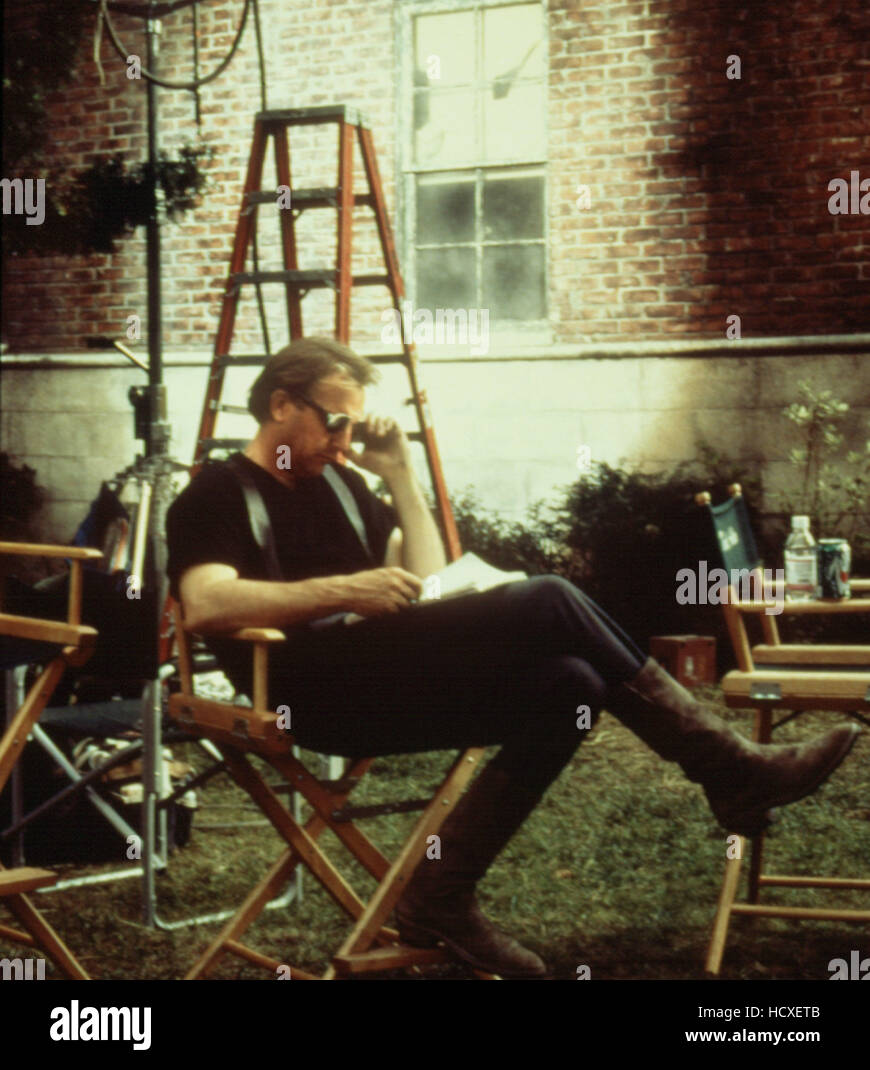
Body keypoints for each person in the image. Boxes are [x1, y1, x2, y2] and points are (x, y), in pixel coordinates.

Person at [166, 337, 860, 980]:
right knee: (550, 596)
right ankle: (729, 768)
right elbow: (205, 603)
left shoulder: (343, 487)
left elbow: (427, 580)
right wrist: (346, 590)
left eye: (353, 425)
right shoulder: (217, 493)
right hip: (307, 692)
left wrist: (401, 477)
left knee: (572, 685)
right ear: (281, 405)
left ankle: (441, 895)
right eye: (334, 422)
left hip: (382, 673)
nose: (343, 441)